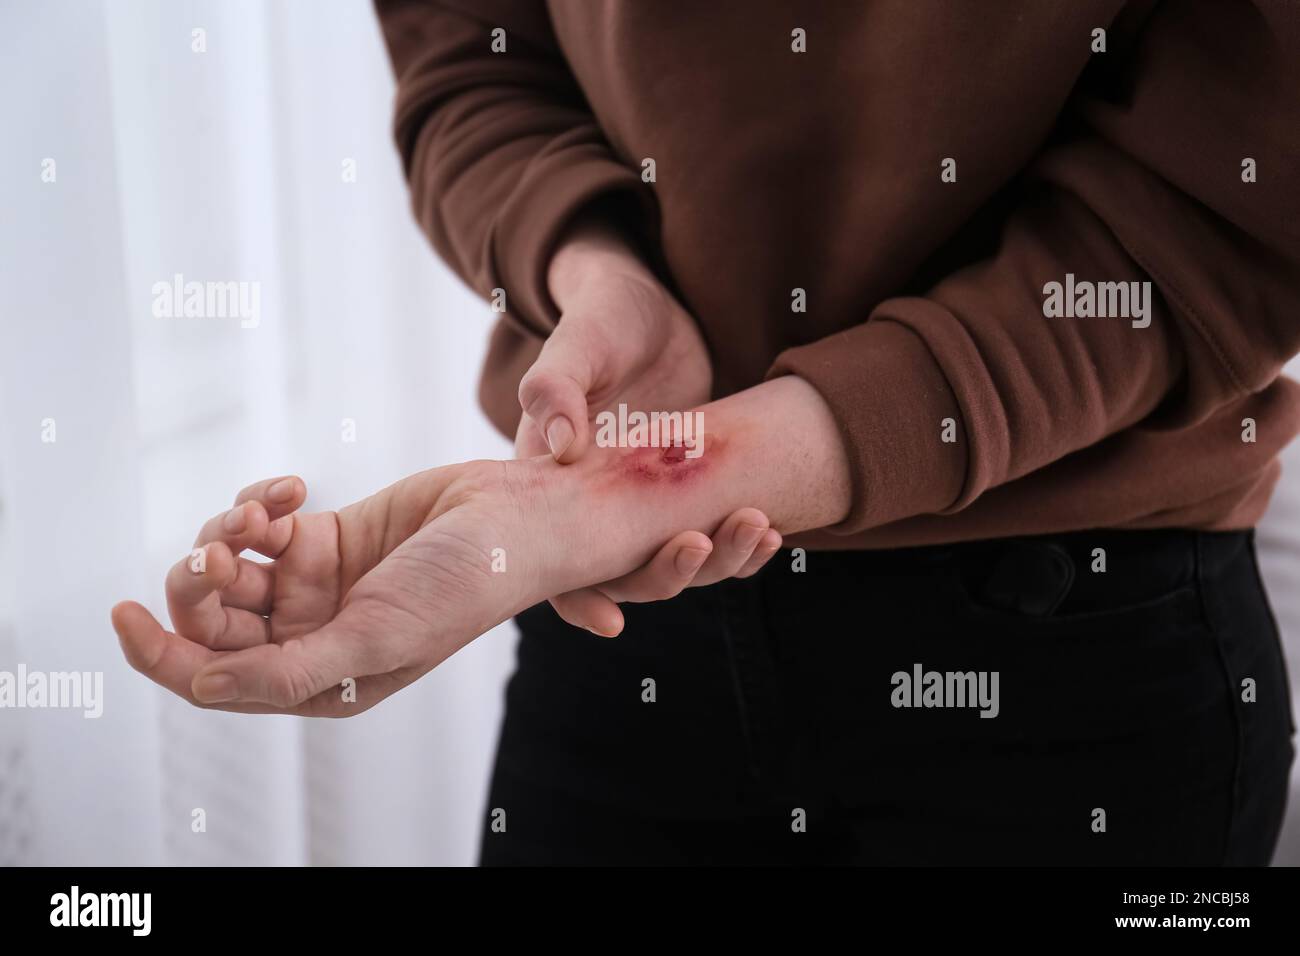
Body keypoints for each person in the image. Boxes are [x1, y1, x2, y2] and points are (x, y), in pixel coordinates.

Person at [114, 0, 1300, 865]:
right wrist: (594, 265)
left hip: (1074, 643)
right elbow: (467, 54)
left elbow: (1224, 210)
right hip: (613, 613)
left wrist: (669, 482)